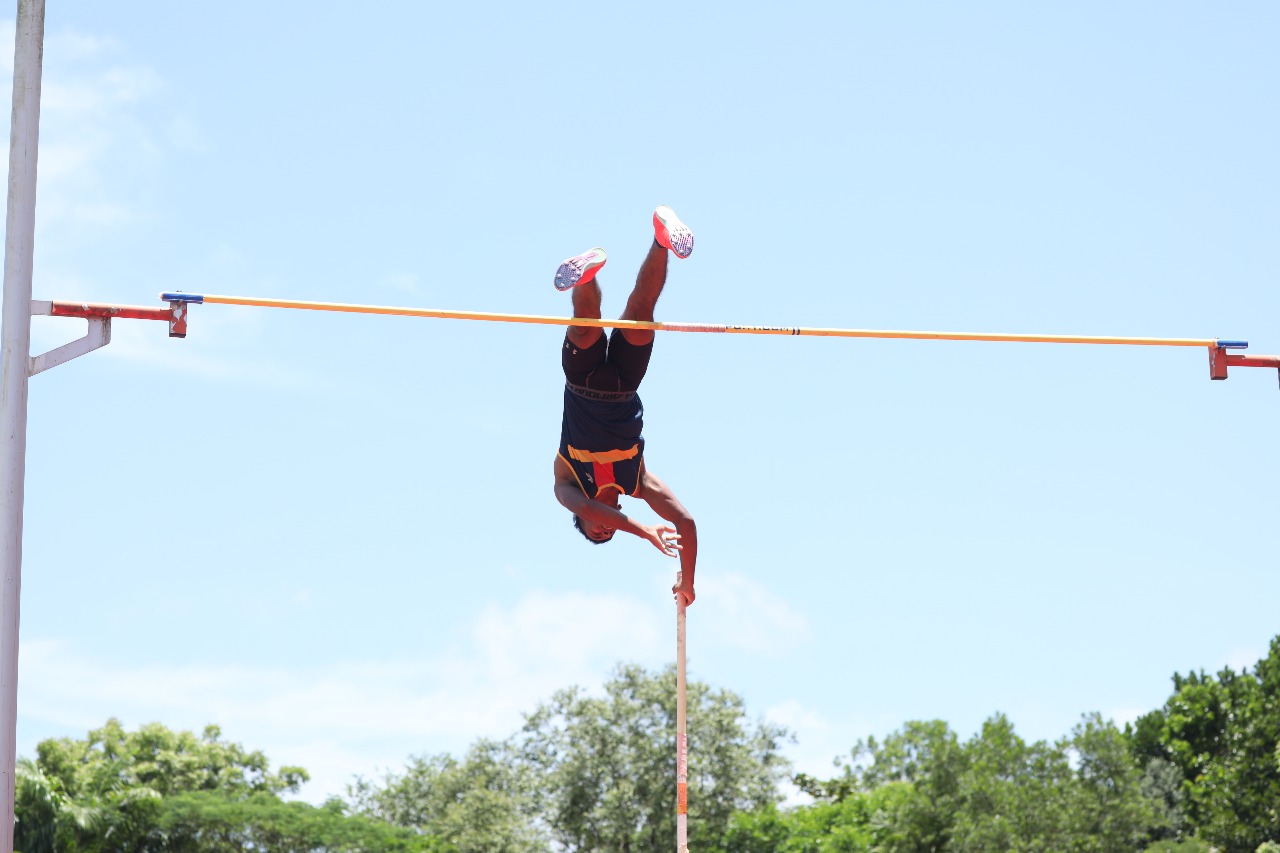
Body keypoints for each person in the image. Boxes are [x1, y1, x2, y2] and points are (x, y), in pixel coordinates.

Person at [552, 205, 697, 606]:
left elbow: (600, 513)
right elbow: (685, 521)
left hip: (582, 384)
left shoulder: (567, 486)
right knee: (641, 312)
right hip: (624, 385)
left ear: (581, 517)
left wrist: (644, 531)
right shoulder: (639, 483)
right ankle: (661, 238)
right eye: (608, 533)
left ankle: (586, 275)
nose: (603, 528)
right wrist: (688, 582)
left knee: (586, 322)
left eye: (594, 529)